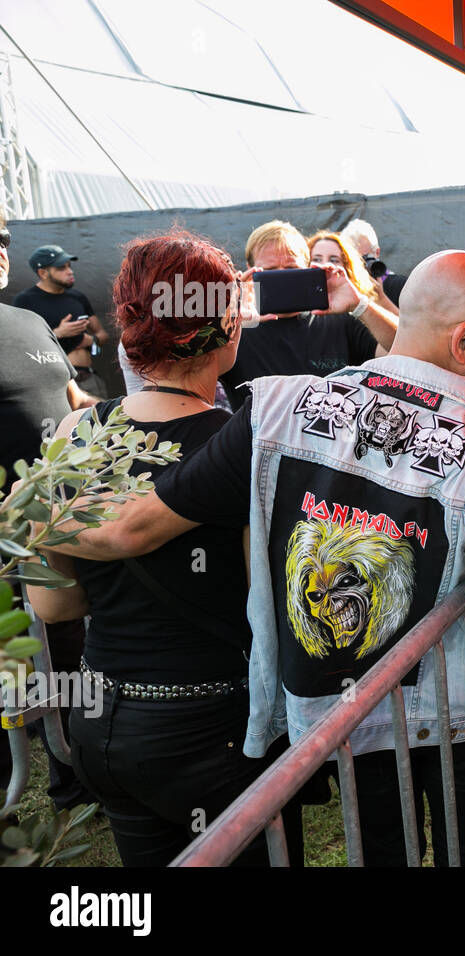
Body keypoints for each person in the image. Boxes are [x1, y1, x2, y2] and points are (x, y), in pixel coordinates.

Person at [43, 249, 465, 866]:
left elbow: (132, 527)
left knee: (378, 850)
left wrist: (30, 513)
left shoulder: (272, 409)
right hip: (459, 719)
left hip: (339, 717)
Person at [25, 230, 309, 866]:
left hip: (102, 727)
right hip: (217, 730)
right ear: (227, 329)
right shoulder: (245, 445)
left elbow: (53, 606)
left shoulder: (76, 430)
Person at [0, 219, 98, 813]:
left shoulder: (28, 321)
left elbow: (71, 400)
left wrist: (122, 412)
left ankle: (74, 777)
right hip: (6, 540)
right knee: (12, 665)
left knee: (66, 649)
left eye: (3, 240)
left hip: (56, 526)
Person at [220, 221, 399, 411]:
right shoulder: (235, 330)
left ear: (306, 265)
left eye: (290, 269)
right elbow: (188, 370)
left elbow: (406, 349)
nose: (282, 280)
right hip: (254, 439)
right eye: (270, 272)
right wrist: (226, 316)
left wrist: (361, 305)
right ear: (250, 268)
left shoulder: (338, 321)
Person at [13, 244, 109, 398]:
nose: (69, 271)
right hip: (57, 384)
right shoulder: (25, 301)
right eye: (61, 268)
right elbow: (20, 346)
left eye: (69, 266)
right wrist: (58, 333)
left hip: (90, 378)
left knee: (105, 421)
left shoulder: (77, 297)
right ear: (43, 273)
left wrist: (92, 340)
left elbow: (102, 335)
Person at [341, 218, 405, 313]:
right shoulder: (341, 290)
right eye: (351, 260)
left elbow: (413, 327)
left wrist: (381, 299)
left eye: (363, 259)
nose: (358, 266)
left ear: (377, 253)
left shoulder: (401, 287)